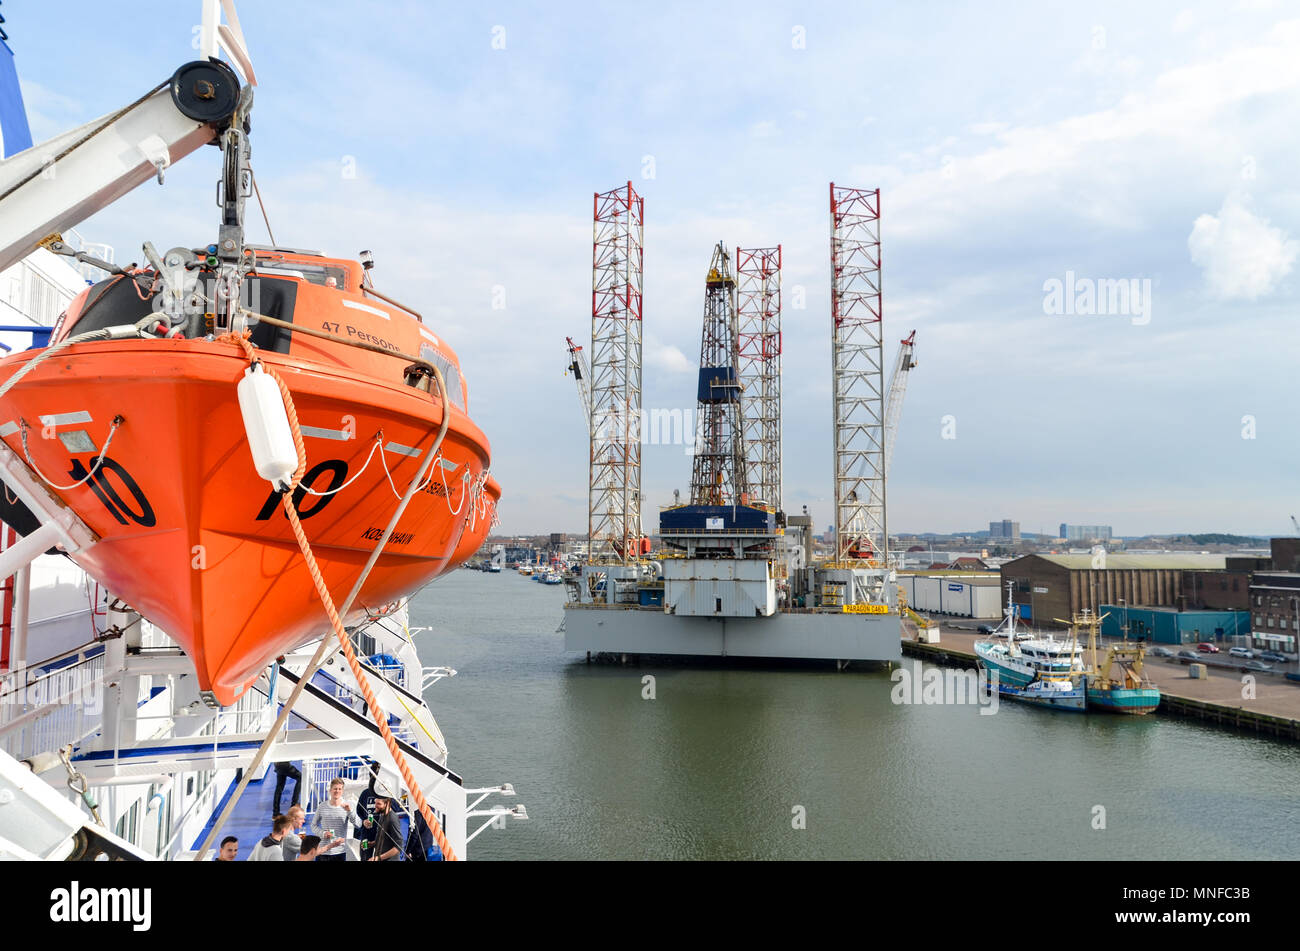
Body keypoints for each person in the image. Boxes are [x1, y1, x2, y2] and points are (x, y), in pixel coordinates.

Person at [311, 777, 361, 862]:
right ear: (330, 790)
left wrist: (349, 811)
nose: (337, 791)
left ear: (342, 791)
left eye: (339, 789)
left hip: (340, 851)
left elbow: (358, 824)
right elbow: (313, 825)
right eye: (335, 789)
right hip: (323, 850)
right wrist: (323, 833)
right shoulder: (322, 806)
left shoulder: (348, 805)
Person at [354, 761, 382, 861]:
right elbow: (359, 810)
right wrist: (364, 820)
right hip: (367, 832)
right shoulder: (365, 793)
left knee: (381, 857)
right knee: (365, 857)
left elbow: (394, 810)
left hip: (381, 833)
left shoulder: (385, 793)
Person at [366, 795, 403, 862]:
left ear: (387, 803)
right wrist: (372, 844)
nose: (375, 806)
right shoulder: (382, 815)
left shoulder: (392, 819)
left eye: (379, 804)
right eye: (375, 803)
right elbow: (384, 838)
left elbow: (399, 846)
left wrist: (378, 858)